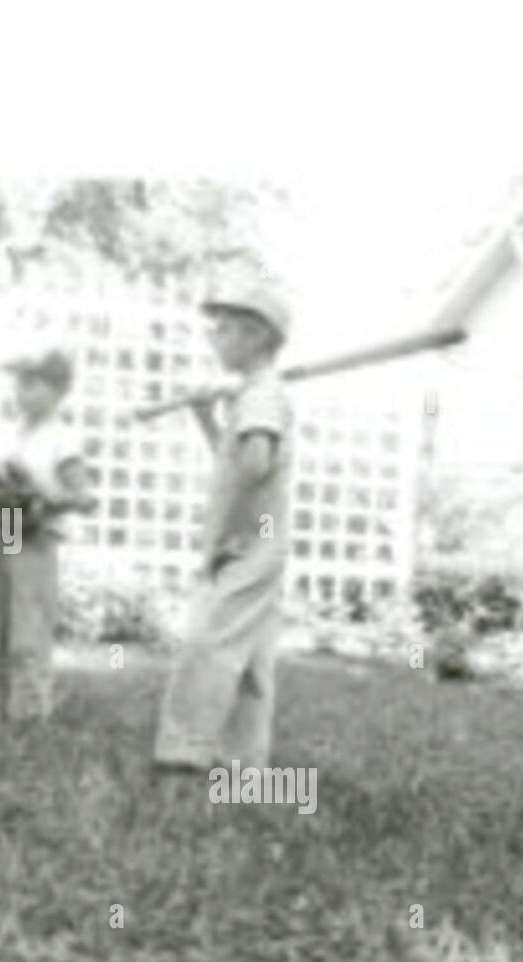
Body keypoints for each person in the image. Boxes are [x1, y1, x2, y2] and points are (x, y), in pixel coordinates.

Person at [153, 267, 295, 773]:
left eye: (225, 329)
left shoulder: (260, 395)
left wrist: (229, 536)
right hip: (260, 541)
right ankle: (243, 761)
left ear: (256, 335)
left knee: (206, 643)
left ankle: (184, 751)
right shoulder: (254, 394)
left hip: (248, 542)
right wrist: (203, 414)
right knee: (251, 655)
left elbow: (254, 466)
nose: (214, 338)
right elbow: (231, 459)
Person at [0, 347, 96, 723]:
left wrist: (48, 494)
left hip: (35, 536)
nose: (20, 393)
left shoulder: (62, 440)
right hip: (1, 529)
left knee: (28, 626)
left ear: (58, 390)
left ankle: (27, 712)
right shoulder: (8, 434)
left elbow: (86, 499)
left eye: (31, 384)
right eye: (17, 384)